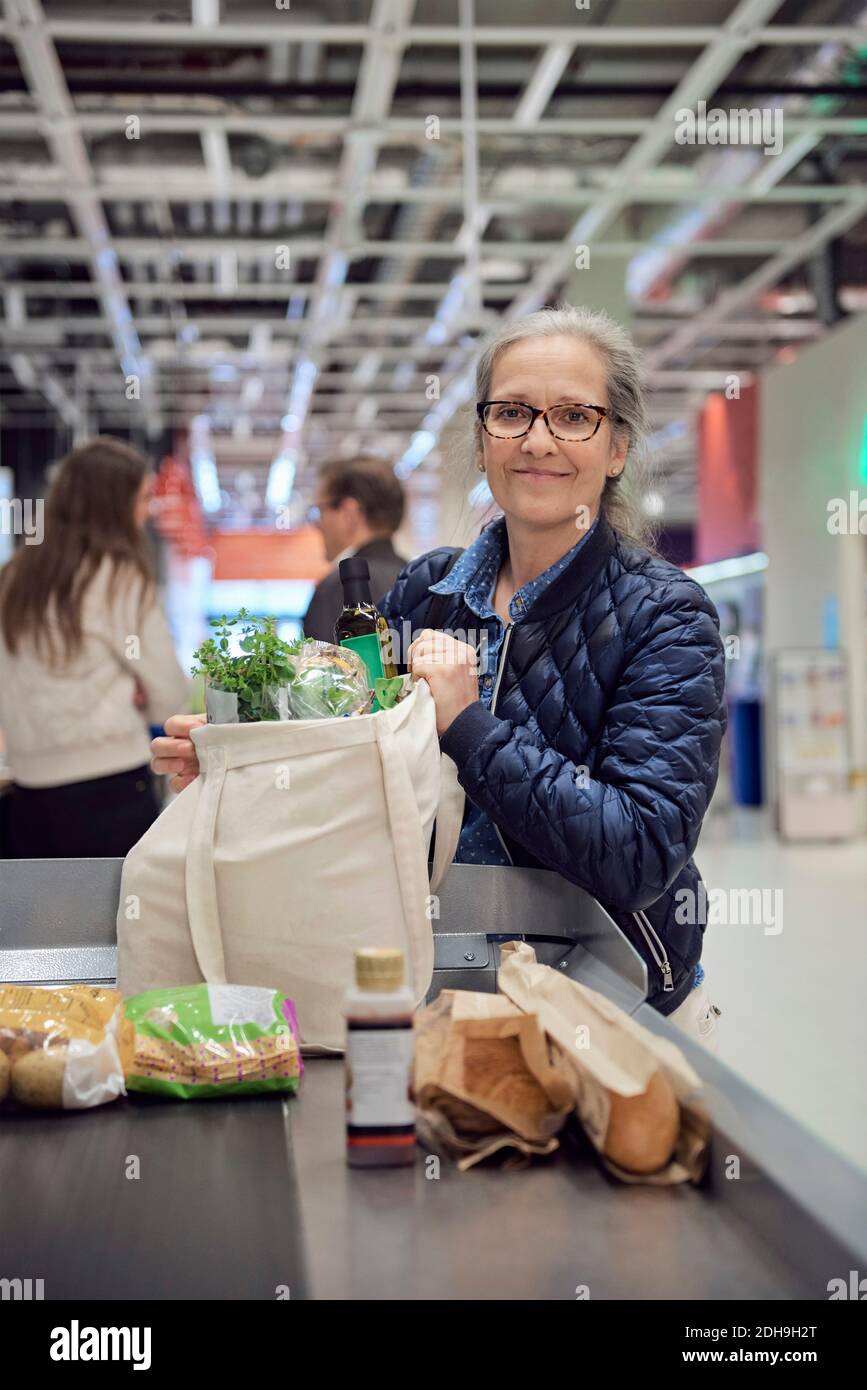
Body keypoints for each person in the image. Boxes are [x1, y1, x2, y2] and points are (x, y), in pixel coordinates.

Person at [152, 306, 726, 1053]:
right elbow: (354, 764)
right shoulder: (423, 594)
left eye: (574, 417)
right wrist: (247, 763)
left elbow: (642, 852)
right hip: (434, 988)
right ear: (483, 439)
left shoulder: (666, 616)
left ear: (616, 447)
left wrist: (469, 729)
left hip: (605, 1005)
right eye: (512, 412)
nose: (538, 440)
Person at [0, 436, 190, 858]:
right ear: (113, 504)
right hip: (111, 787)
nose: (145, 513)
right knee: (114, 921)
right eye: (141, 498)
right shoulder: (118, 576)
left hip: (28, 792)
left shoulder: (12, 578)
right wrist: (138, 695)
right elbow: (168, 695)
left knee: (38, 921)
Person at [302, 453, 407, 642]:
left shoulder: (338, 589)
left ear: (349, 512)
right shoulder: (416, 579)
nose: (317, 523)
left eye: (320, 510)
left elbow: (327, 669)